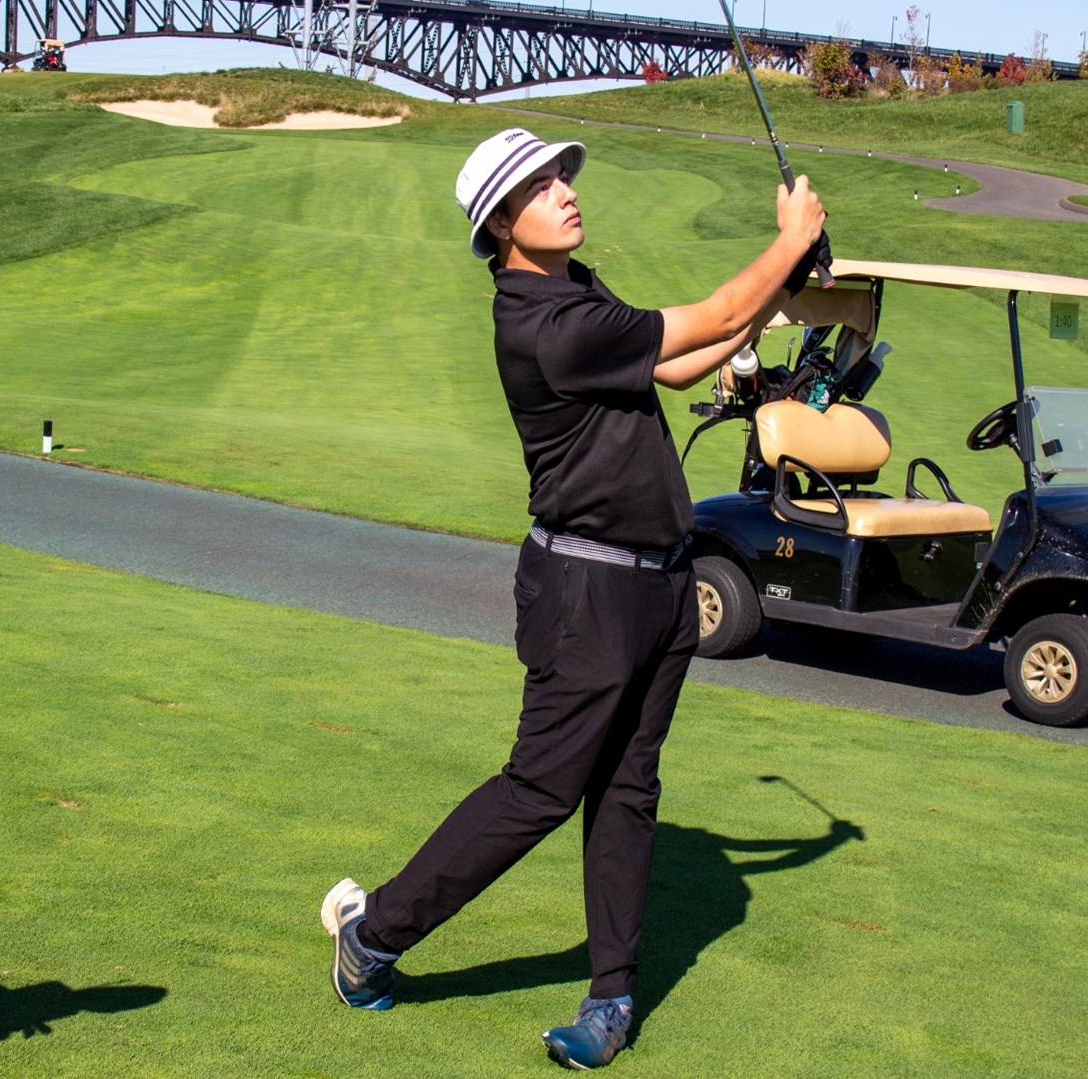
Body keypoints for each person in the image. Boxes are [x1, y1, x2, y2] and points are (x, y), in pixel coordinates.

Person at [322, 128, 826, 1070]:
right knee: (542, 789)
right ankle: (373, 934)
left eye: (561, 176)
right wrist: (789, 244)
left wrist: (772, 309)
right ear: (503, 224)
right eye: (539, 185)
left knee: (630, 790)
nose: (563, 191)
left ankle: (611, 997)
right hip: (584, 590)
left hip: (664, 586)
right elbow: (713, 305)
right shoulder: (544, 324)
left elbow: (677, 361)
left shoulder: (577, 290)